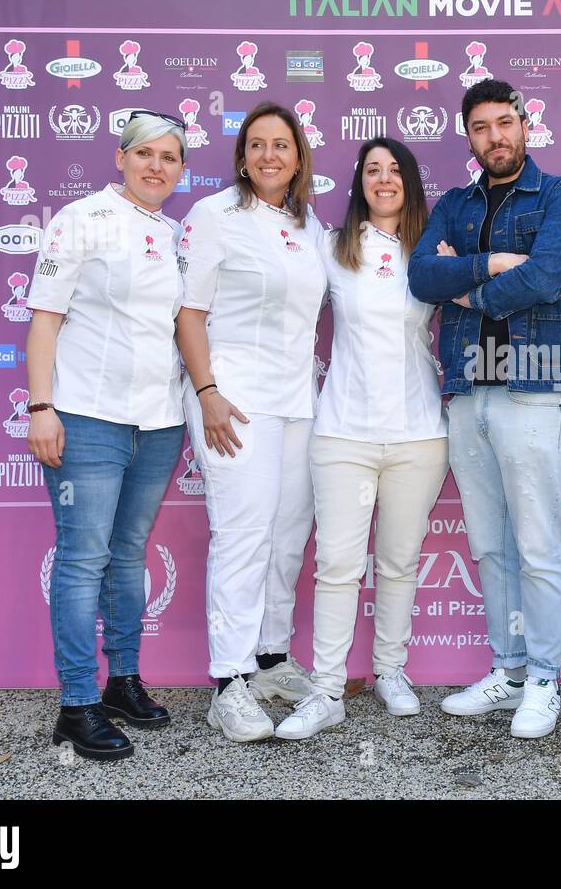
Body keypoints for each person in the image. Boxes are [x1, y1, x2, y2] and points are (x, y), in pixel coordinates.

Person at [407, 78, 561, 740]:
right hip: (470, 385)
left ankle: (544, 679)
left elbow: (546, 276)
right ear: (470, 137)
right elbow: (422, 275)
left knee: (538, 545)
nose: (495, 137)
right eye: (481, 127)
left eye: (503, 123)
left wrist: (468, 290)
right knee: (489, 545)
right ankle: (508, 669)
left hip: (536, 384)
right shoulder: (455, 202)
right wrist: (490, 263)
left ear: (524, 123)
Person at [25, 110, 188, 761]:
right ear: (120, 158)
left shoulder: (175, 232)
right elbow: (43, 322)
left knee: (127, 554)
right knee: (83, 558)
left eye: (170, 157)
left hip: (159, 421)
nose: (156, 165)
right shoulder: (79, 220)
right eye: (145, 153)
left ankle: (122, 680)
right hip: (87, 417)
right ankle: (76, 704)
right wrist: (42, 406)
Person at [277, 138, 448, 739]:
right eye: (372, 171)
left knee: (400, 560)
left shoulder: (432, 250)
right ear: (359, 184)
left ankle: (391, 672)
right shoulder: (332, 248)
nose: (384, 179)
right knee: (339, 563)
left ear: (410, 183)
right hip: (343, 432)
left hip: (420, 433)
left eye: (394, 170)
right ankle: (326, 689)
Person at [175, 101, 327, 742]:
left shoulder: (309, 223)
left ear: (298, 158)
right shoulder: (213, 216)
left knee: (288, 536)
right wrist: (206, 390)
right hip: (232, 398)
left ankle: (269, 658)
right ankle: (228, 681)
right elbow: (190, 312)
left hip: (299, 403)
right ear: (242, 156)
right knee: (243, 534)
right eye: (258, 144)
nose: (270, 155)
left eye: (282, 145)